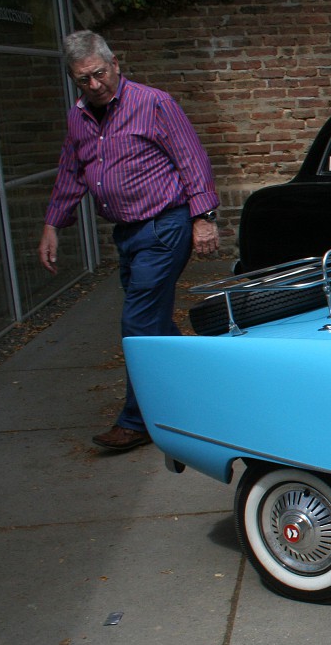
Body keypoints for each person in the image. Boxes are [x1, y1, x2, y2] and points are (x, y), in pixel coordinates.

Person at [38, 30, 220, 452]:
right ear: (73, 79)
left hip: (165, 226)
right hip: (127, 234)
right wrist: (52, 225)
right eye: (83, 79)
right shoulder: (78, 117)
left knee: (138, 323)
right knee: (154, 323)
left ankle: (136, 421)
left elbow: (192, 158)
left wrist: (204, 218)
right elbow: (71, 172)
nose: (95, 85)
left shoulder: (153, 103)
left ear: (115, 63)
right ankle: (210, 389)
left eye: (99, 74)